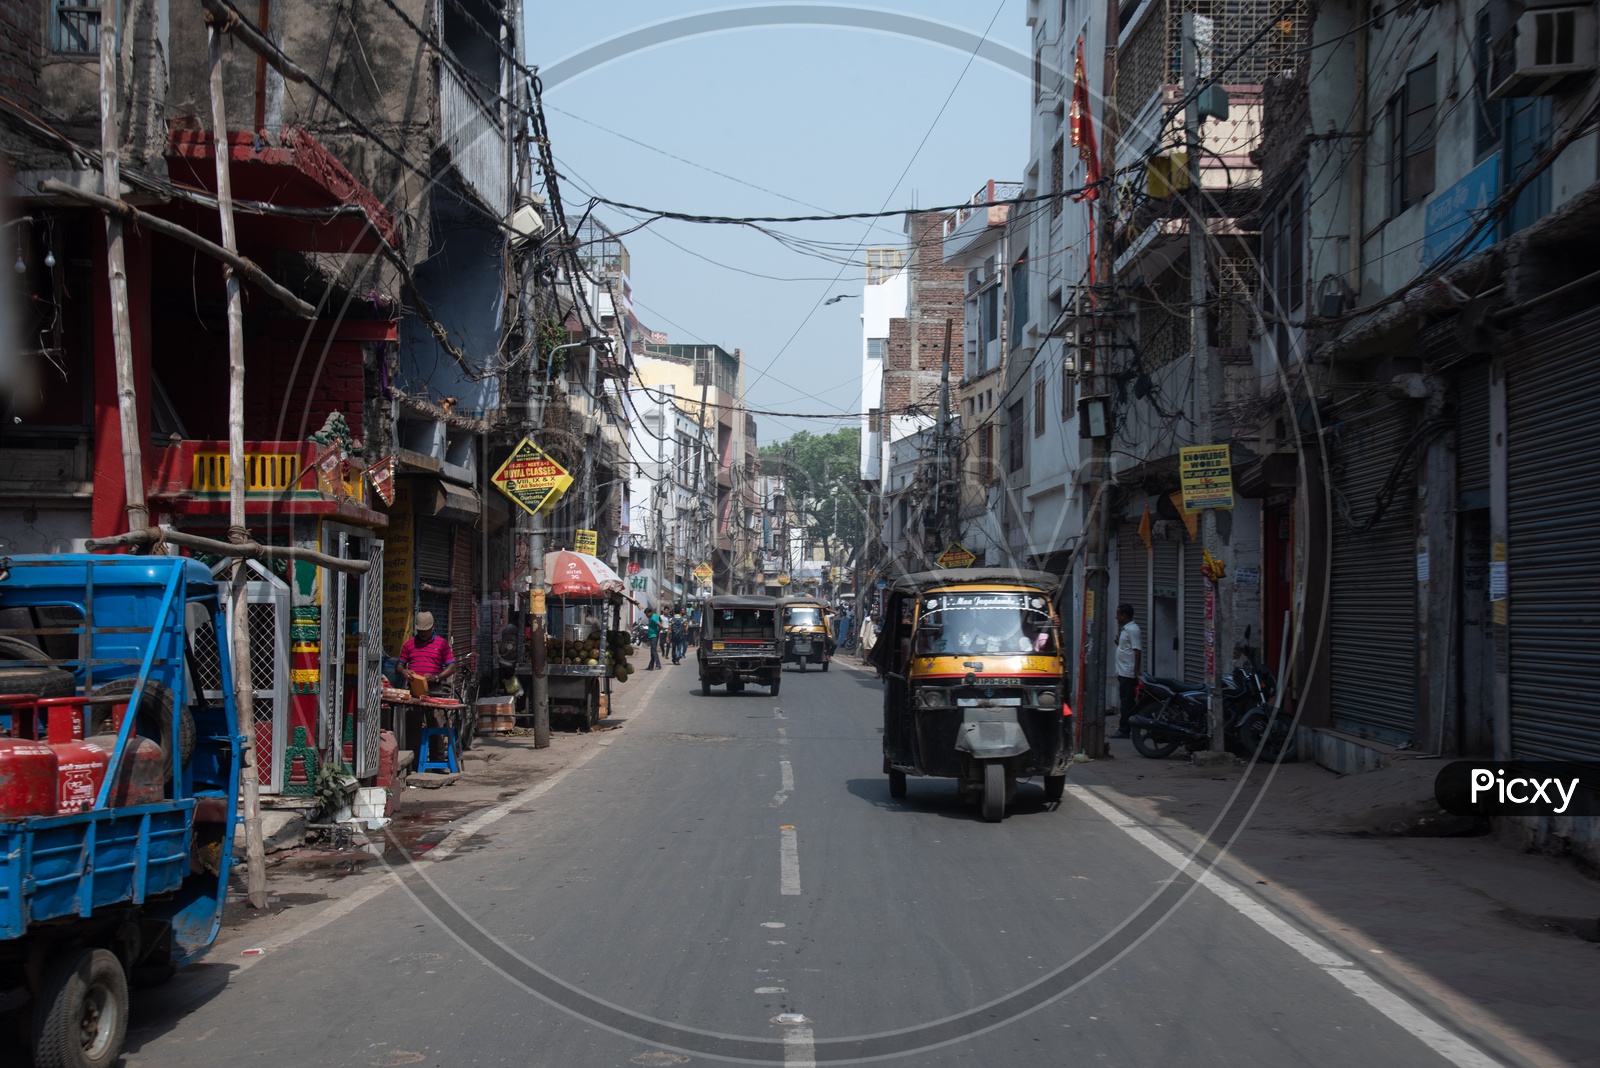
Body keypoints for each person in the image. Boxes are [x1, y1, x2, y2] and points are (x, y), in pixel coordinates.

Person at [399, 611, 457, 689]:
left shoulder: (442, 644)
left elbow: (452, 667)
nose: (423, 634)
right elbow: (399, 665)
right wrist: (404, 671)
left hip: (434, 688)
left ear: (433, 627)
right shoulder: (409, 644)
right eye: (421, 631)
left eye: (426, 631)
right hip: (413, 687)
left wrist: (436, 677)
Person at [1113, 603, 1143, 738]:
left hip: (1128, 672)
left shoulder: (1133, 630)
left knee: (1127, 702)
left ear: (1124, 616)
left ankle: (1124, 729)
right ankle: (1125, 727)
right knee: (1125, 700)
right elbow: (1129, 647)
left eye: (1118, 614)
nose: (1116, 617)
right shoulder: (1126, 630)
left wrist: (1136, 670)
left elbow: (1137, 650)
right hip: (1123, 671)